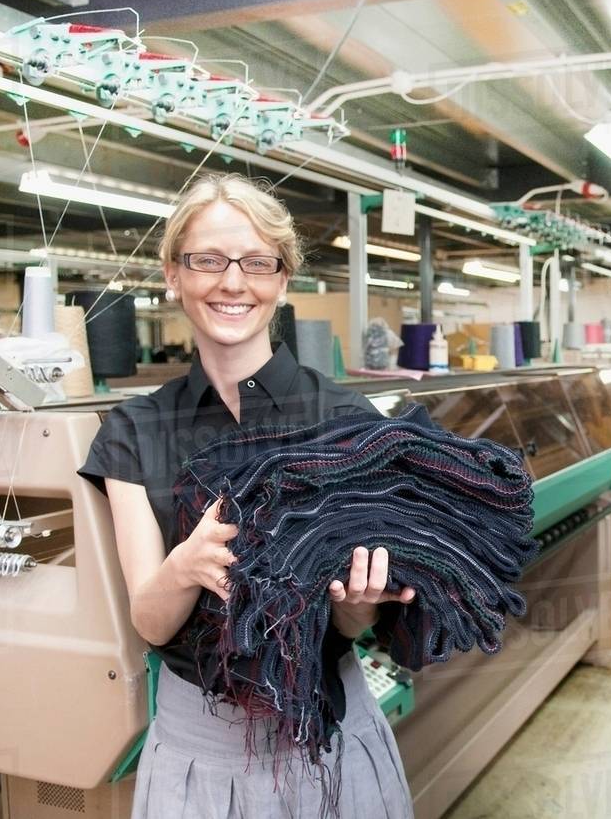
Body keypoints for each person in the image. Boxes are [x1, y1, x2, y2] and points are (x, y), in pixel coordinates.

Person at [79, 173, 414, 818]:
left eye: (257, 262)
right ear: (173, 275)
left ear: (282, 280)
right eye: (207, 260)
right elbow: (150, 623)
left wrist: (358, 605)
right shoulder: (135, 430)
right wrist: (188, 564)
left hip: (329, 741)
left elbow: (354, 626)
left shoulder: (348, 420)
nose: (233, 282)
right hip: (196, 753)